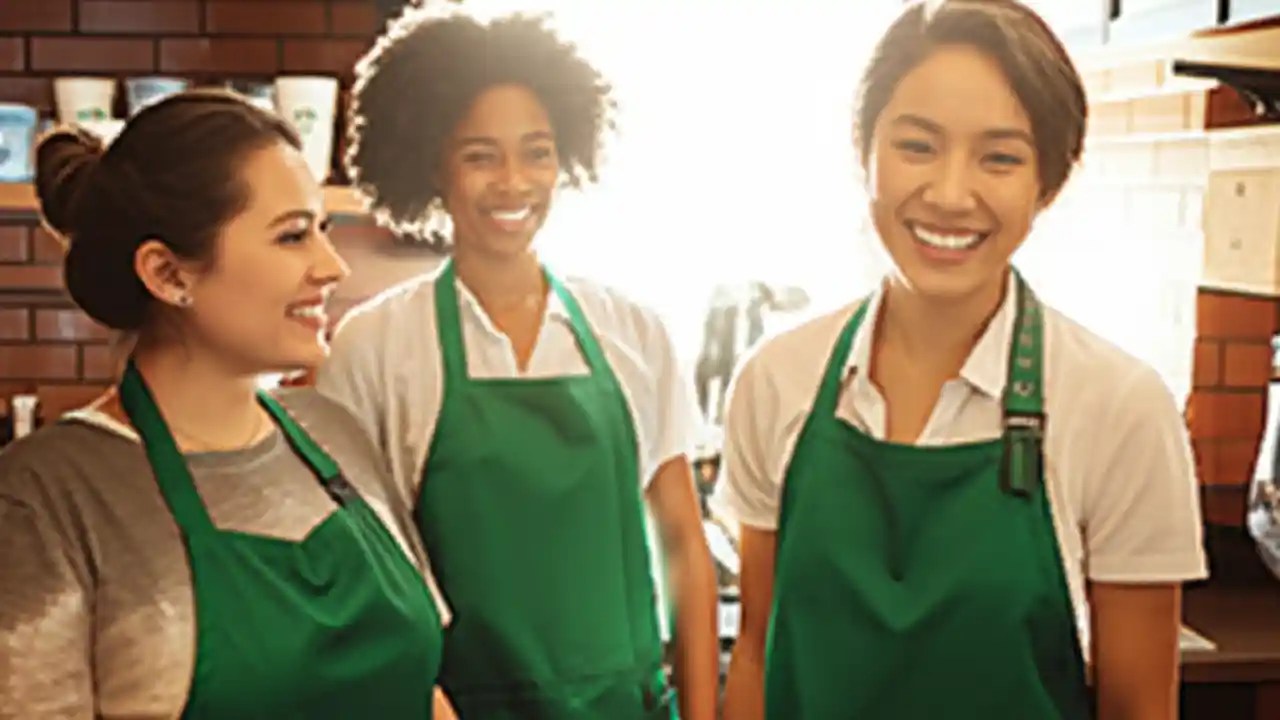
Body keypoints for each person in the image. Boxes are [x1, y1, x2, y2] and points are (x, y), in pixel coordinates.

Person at [713, 2, 1209, 718]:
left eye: (1000, 158)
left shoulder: (1119, 406)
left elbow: (1139, 709)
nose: (950, 194)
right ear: (865, 153)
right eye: (917, 146)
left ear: (1047, 183)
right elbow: (760, 651)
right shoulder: (775, 380)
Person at [316, 8, 719, 719]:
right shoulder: (375, 346)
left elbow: (685, 546)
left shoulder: (633, 331)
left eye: (536, 152)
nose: (514, 182)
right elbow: (362, 579)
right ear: (431, 165)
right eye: (480, 155)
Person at [0, 91, 456, 719]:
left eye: (322, 229)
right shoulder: (45, 498)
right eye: (292, 236)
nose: (332, 266)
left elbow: (424, 694)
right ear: (168, 274)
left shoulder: (334, 437)